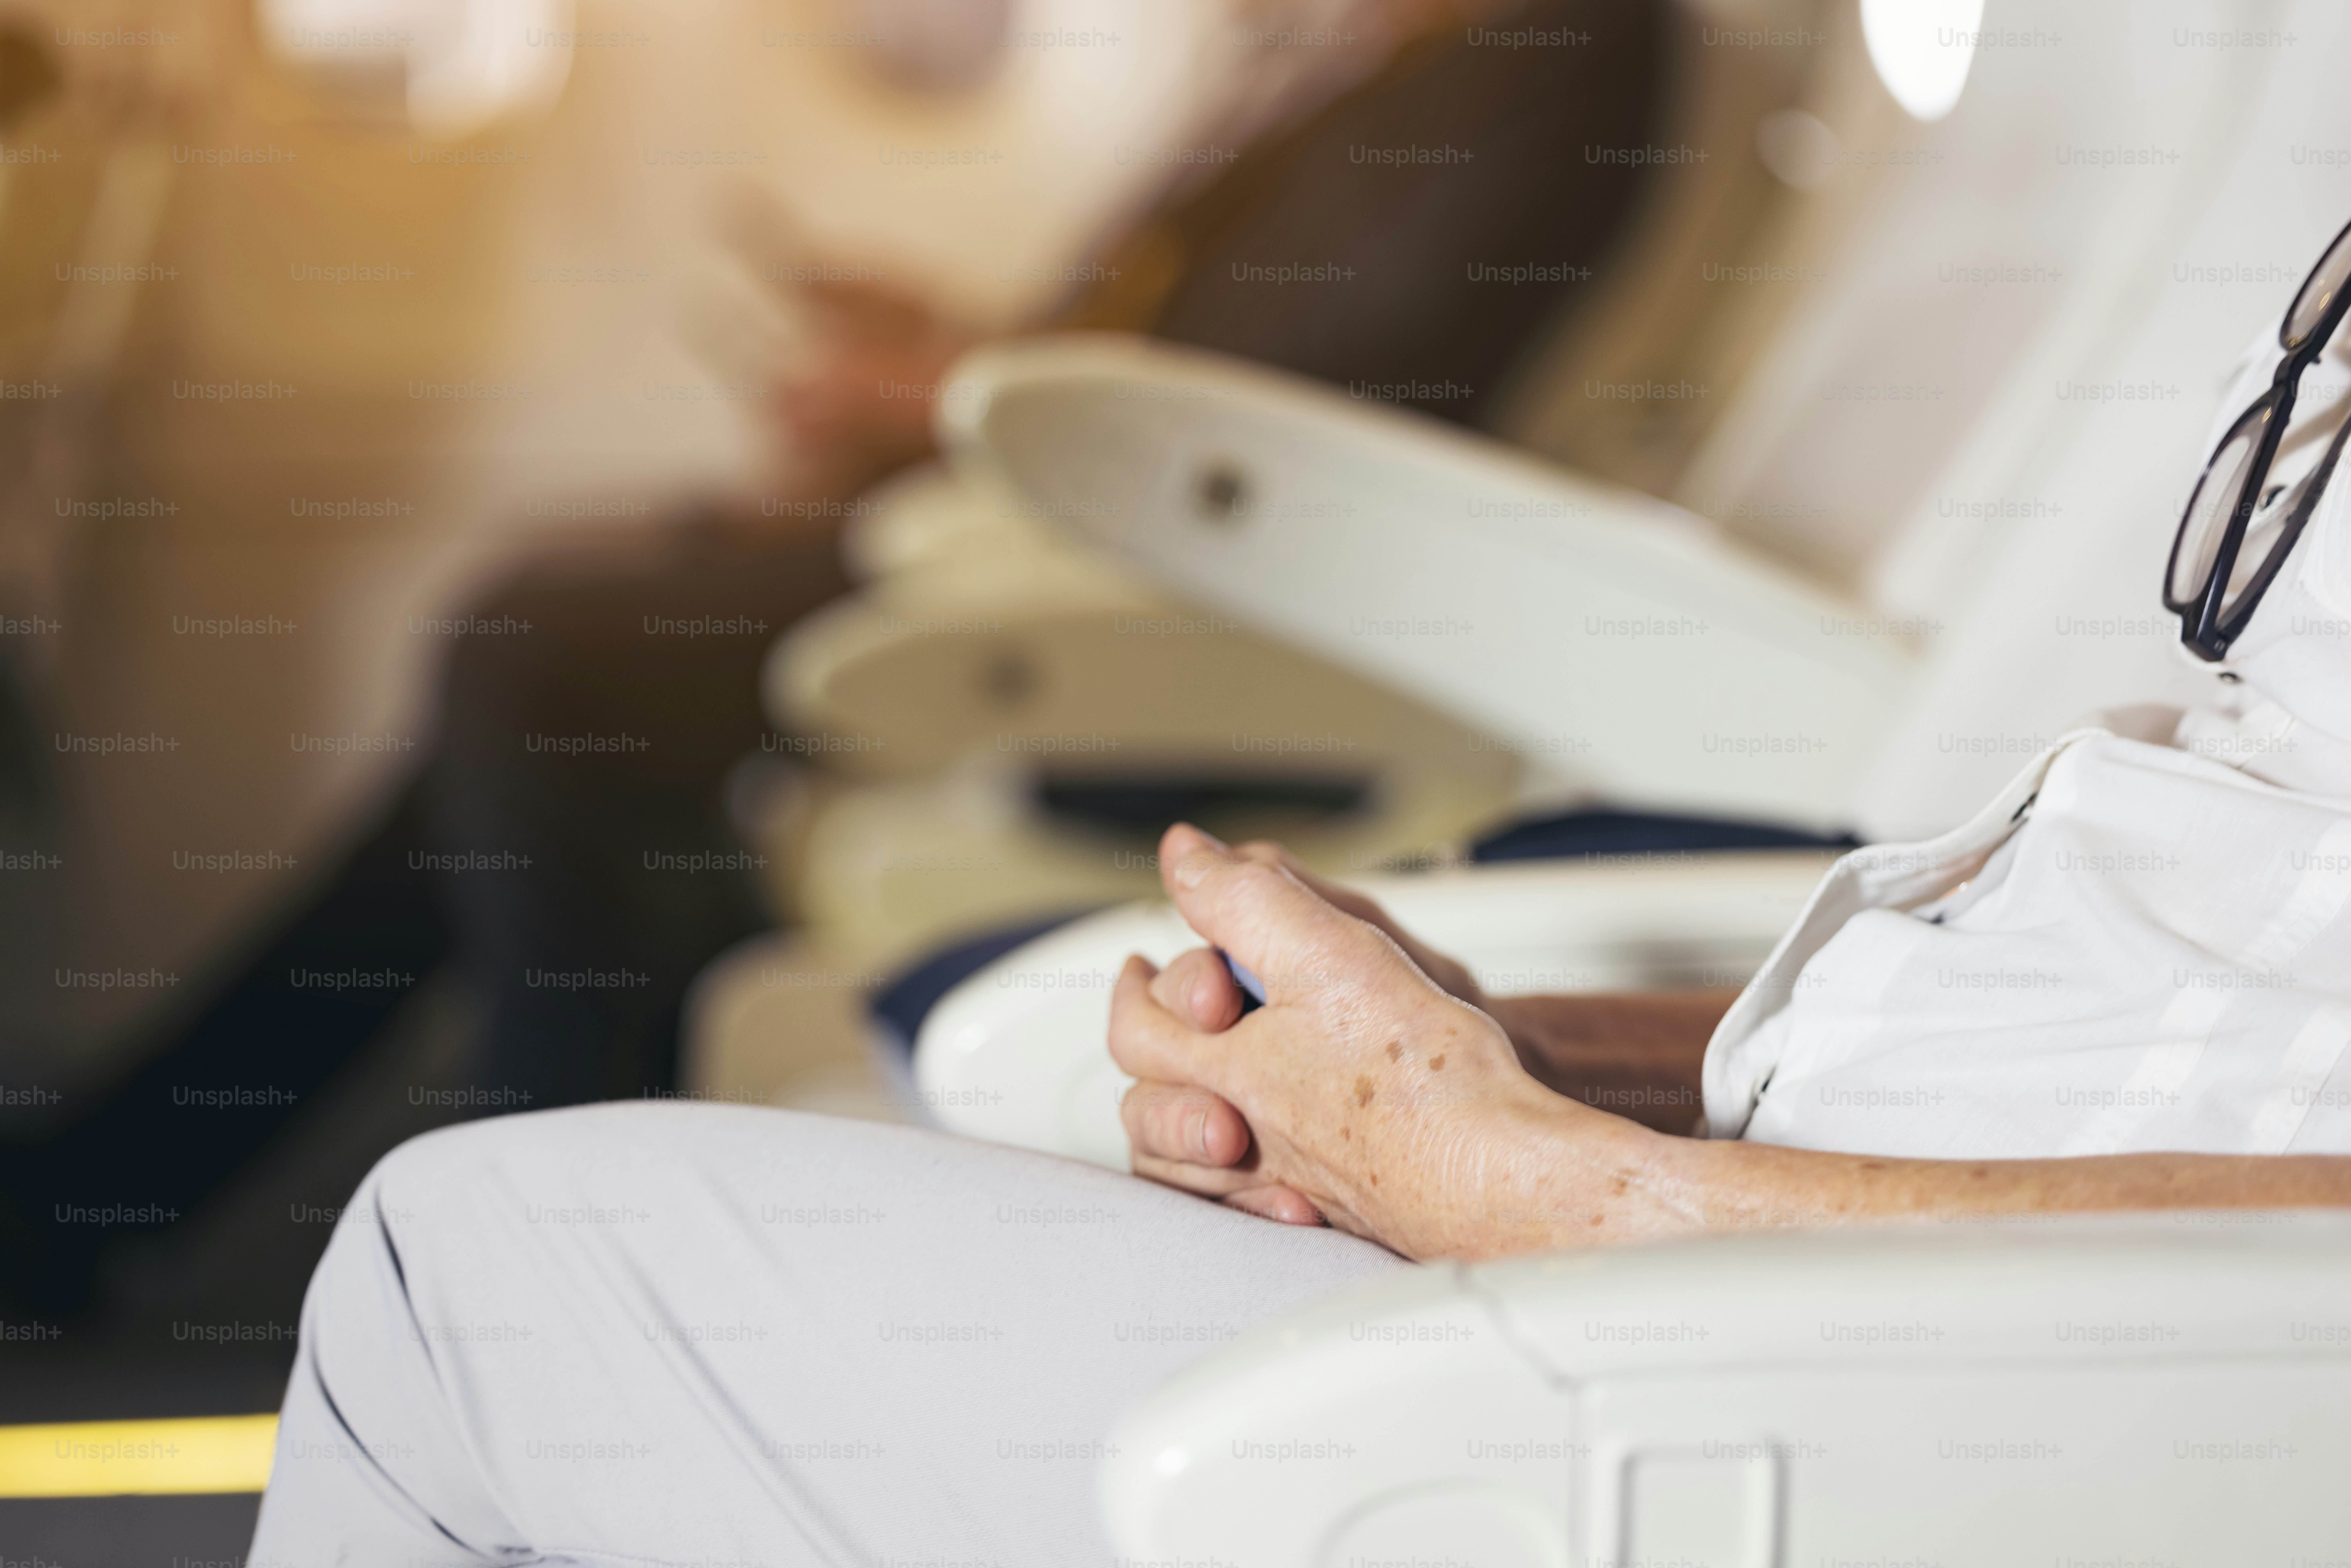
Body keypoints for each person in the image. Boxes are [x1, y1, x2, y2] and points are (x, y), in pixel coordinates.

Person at [247, 222, 2351, 1563]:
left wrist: (1564, 1198)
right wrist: (1534, 1072)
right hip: (1816, 1243)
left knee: (473, 1280)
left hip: (1997, 1411)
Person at [0, 0, 1671, 1314]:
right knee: (541, 664)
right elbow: (1157, 358)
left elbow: (1294, 426)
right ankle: (180, 1191)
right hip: (1041, 539)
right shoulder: (1334, 55)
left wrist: (951, 390)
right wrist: (940, 371)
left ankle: (451, 1178)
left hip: (1170, 625)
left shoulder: (1546, 54)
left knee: (544, 662)